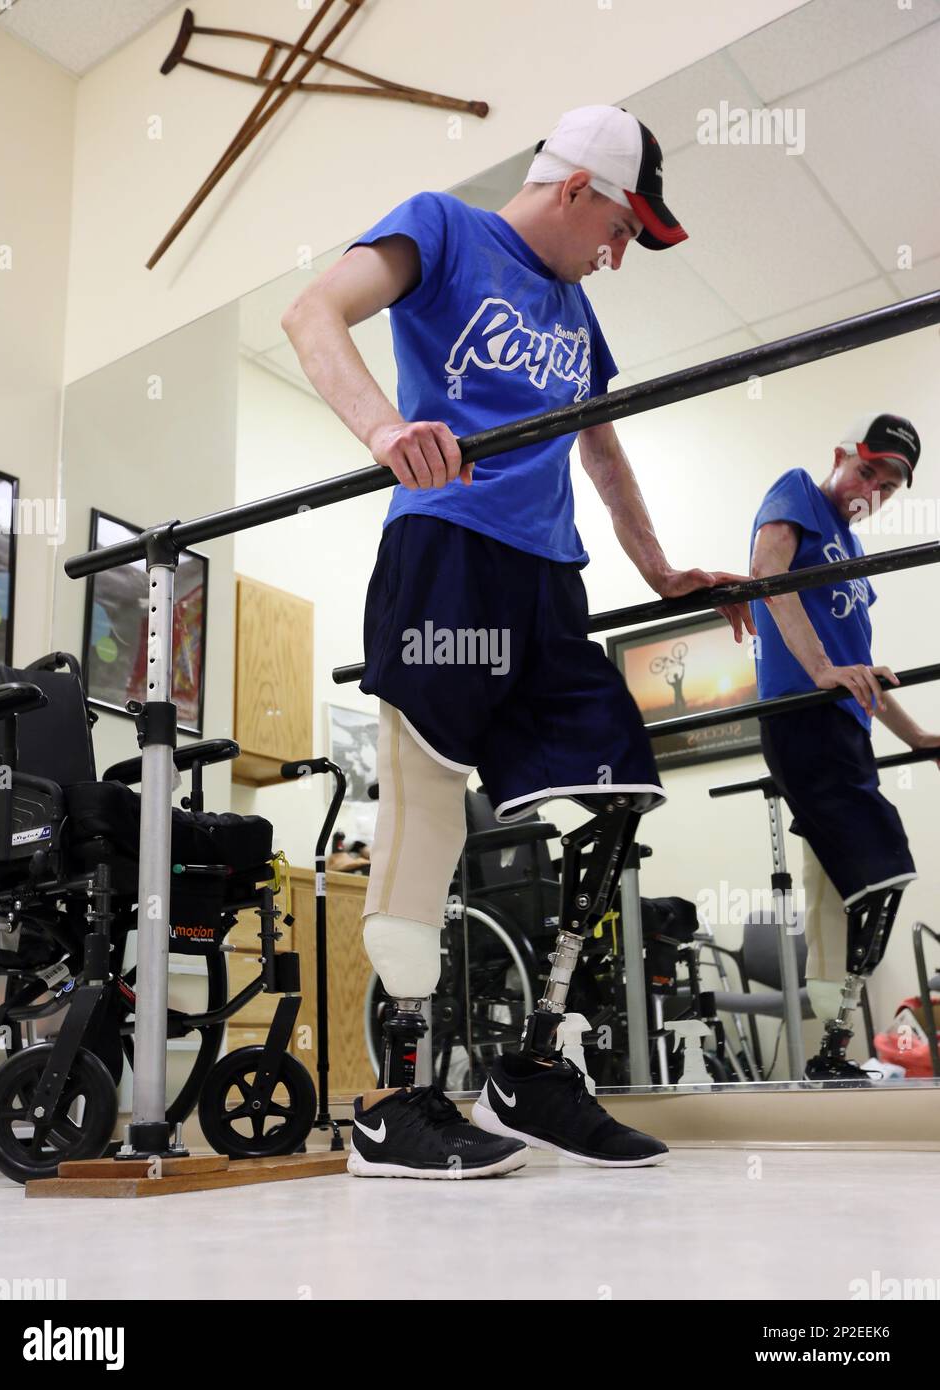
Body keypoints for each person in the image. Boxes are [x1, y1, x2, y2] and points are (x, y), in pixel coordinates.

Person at [282, 104, 753, 1176]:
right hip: (445, 553)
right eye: (622, 228)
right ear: (577, 187)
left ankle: (530, 1069)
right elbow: (313, 312)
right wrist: (383, 431)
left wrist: (662, 570)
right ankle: (391, 1101)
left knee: (621, 784)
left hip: (551, 585)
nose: (617, 254)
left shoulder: (576, 312)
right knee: (427, 801)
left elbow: (603, 455)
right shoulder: (442, 229)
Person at [749, 413, 939, 1081]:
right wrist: (821, 672)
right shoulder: (798, 491)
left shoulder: (853, 559)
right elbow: (766, 572)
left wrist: (918, 738)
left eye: (888, 485)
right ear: (839, 456)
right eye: (866, 470)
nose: (871, 490)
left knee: (832, 889)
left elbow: (858, 669)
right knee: (883, 869)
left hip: (842, 728)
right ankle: (831, 1045)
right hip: (802, 720)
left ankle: (831, 1053)